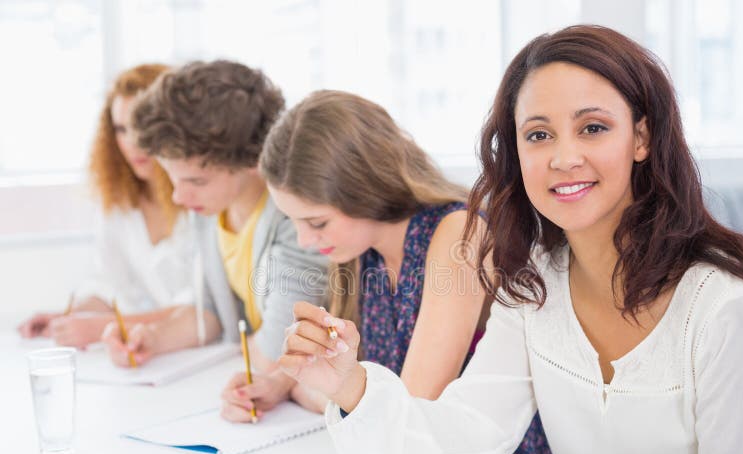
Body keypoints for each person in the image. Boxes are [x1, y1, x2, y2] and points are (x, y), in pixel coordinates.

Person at [275, 25, 743, 454]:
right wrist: (350, 384)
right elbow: (463, 436)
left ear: (641, 137)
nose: (564, 158)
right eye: (538, 135)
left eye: (593, 128)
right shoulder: (532, 289)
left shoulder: (729, 312)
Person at [220, 90, 494, 424]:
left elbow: (408, 411)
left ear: (366, 190)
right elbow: (363, 389)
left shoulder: (456, 234)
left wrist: (305, 389)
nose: (305, 241)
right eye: (294, 221)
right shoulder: (362, 252)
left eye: (317, 222)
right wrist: (281, 381)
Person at [102, 60, 327, 388]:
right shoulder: (211, 211)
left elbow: (277, 350)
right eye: (172, 178)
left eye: (196, 180)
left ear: (254, 160)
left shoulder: (297, 220)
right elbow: (210, 314)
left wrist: (237, 347)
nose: (179, 196)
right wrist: (153, 338)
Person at [17, 63, 194, 350]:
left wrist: (99, 327)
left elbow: (204, 310)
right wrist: (71, 317)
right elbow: (109, 283)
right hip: (160, 354)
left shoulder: (200, 198)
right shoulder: (118, 203)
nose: (133, 143)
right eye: (122, 129)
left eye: (143, 128)